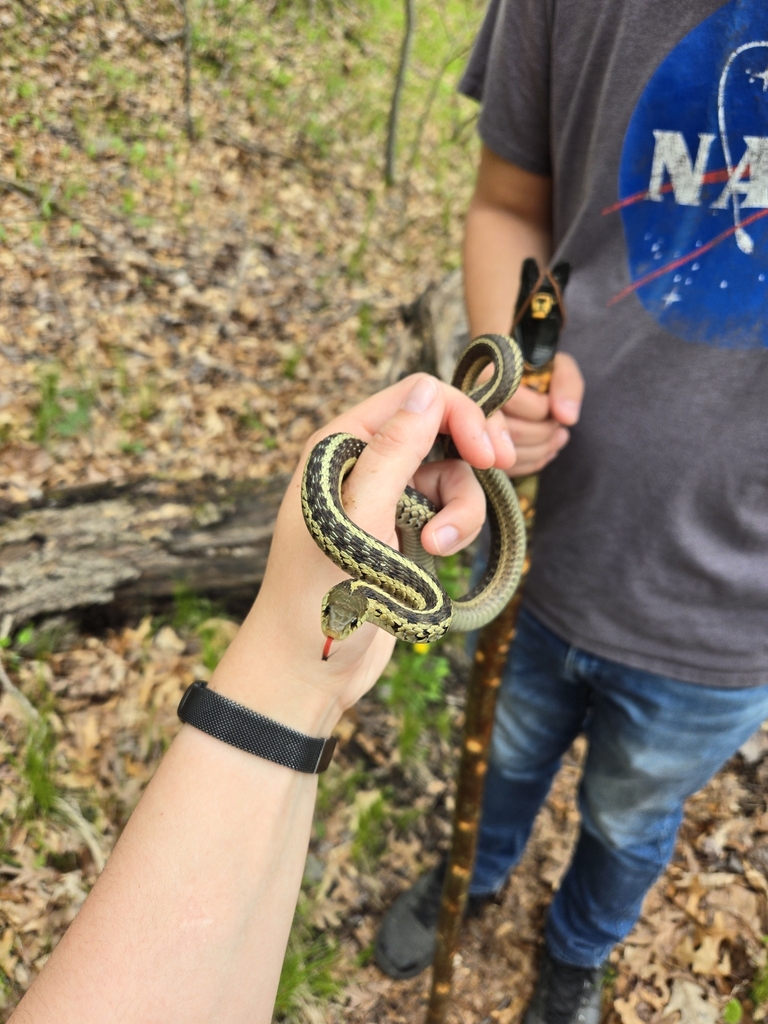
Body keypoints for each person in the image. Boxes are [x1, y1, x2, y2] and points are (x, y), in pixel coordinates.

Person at [374, 3, 768, 1024]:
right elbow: (509, 201)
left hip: (731, 619)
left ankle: (577, 948)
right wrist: (514, 367)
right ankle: (471, 878)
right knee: (499, 757)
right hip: (538, 538)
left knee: (632, 814)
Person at [8, 373, 517, 1024]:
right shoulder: (394, 604)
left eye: (341, 622)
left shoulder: (407, 606)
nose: (331, 634)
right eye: (337, 622)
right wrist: (304, 677)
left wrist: (302, 681)